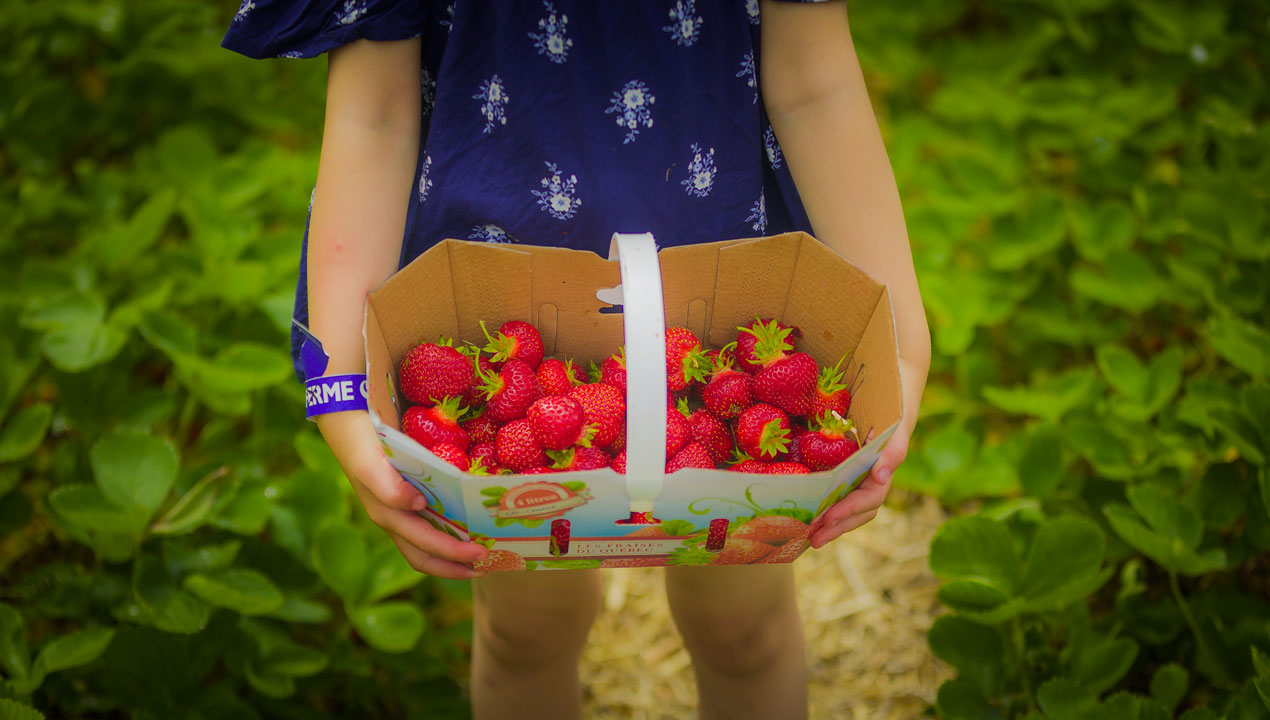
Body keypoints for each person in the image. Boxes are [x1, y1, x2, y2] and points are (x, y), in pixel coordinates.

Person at [224, 1, 930, 717]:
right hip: (494, 286)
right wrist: (338, 387)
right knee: (525, 630)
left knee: (742, 626)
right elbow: (371, 115)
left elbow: (817, 84)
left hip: (724, 297)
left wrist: (901, 345)